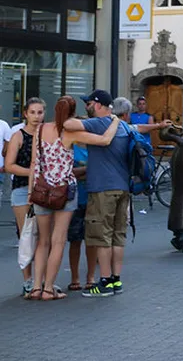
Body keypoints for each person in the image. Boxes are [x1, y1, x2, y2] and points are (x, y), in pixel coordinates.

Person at [28, 96, 121, 300]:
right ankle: (48, 289)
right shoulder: (70, 132)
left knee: (43, 241)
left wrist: (30, 192)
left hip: (41, 191)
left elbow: (34, 163)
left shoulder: (40, 130)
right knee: (59, 241)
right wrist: (115, 121)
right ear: (72, 113)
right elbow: (105, 140)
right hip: (65, 192)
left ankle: (35, 287)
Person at [61, 90, 133, 297]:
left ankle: (104, 282)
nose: (87, 107)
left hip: (102, 189)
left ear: (99, 105)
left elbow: (67, 124)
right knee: (118, 236)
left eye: (90, 103)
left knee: (102, 236)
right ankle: (116, 280)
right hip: (122, 188)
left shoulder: (99, 123)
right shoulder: (123, 126)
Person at [4, 97, 45, 296]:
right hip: (21, 190)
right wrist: (32, 172)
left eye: (40, 112)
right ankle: (28, 280)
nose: (36, 116)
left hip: (45, 190)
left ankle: (41, 279)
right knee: (27, 235)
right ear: (25, 114)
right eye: (33, 112)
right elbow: (9, 165)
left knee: (44, 237)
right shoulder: (18, 136)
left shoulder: (47, 133)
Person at [67, 139, 95, 293]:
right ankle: (74, 277)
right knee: (75, 240)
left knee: (92, 240)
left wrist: (81, 172)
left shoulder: (95, 148)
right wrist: (87, 170)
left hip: (92, 198)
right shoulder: (71, 148)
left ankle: (91, 277)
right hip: (74, 199)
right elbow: (67, 172)